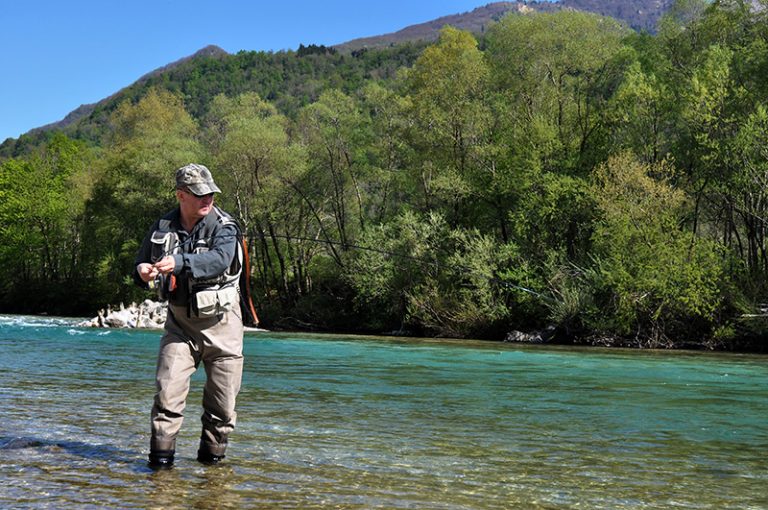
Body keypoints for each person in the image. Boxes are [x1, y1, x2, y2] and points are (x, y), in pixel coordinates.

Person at [134, 163, 247, 469]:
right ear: (181, 195)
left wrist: (181, 262)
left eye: (210, 193)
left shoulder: (225, 226)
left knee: (222, 409)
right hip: (180, 326)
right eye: (199, 194)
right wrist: (141, 271)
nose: (207, 199)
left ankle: (211, 475)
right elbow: (141, 263)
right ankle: (159, 472)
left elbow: (220, 261)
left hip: (223, 327)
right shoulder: (161, 227)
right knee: (166, 398)